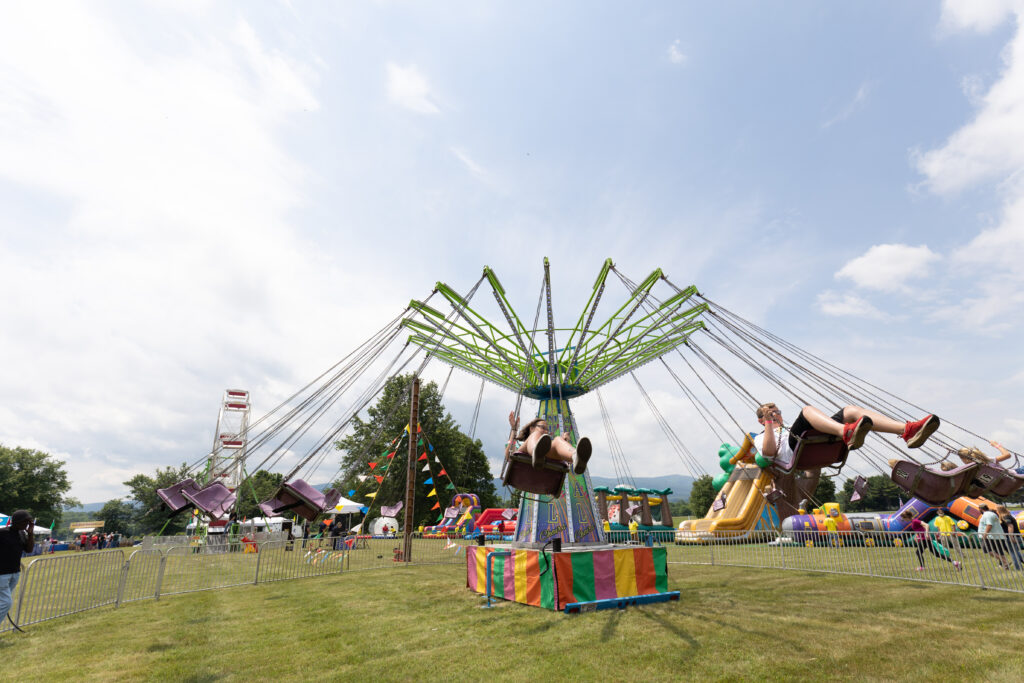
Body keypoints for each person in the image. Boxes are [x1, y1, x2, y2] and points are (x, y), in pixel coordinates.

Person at [754, 403, 939, 462]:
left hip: (814, 439)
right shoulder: (761, 437)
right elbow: (769, 453)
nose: (775, 414)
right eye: (769, 414)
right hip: (795, 450)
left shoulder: (788, 426)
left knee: (850, 411)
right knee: (807, 410)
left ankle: (907, 431)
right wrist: (770, 423)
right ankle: (846, 432)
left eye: (777, 412)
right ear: (761, 421)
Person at [505, 411, 592, 475]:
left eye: (547, 430)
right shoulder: (520, 444)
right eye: (543, 427)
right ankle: (536, 452)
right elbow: (509, 456)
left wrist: (564, 442)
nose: (546, 431)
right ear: (532, 428)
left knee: (558, 440)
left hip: (545, 477)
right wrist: (514, 429)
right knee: (536, 435)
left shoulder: (546, 445)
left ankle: (576, 456)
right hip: (523, 473)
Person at [1, 510, 35, 628]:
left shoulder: (22, 534)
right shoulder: (2, 533)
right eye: (25, 522)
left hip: (15, 573)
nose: (27, 524)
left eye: (28, 522)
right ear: (17, 522)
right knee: (6, 602)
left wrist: (30, 534)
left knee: (3, 602)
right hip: (2, 574)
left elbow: (29, 550)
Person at [977, 504, 1010, 570]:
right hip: (998, 535)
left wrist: (985, 535)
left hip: (990, 536)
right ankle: (1006, 566)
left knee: (988, 550)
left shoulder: (987, 515)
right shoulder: (992, 514)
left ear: (980, 509)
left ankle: (1005, 562)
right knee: (999, 552)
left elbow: (989, 525)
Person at [996, 505, 1023, 571]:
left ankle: (1018, 568)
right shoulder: (1008, 516)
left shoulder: (1006, 517)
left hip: (1012, 537)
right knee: (1016, 552)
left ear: (999, 511)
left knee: (1013, 553)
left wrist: (1011, 537)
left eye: (997, 510)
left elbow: (1010, 526)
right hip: (1016, 536)